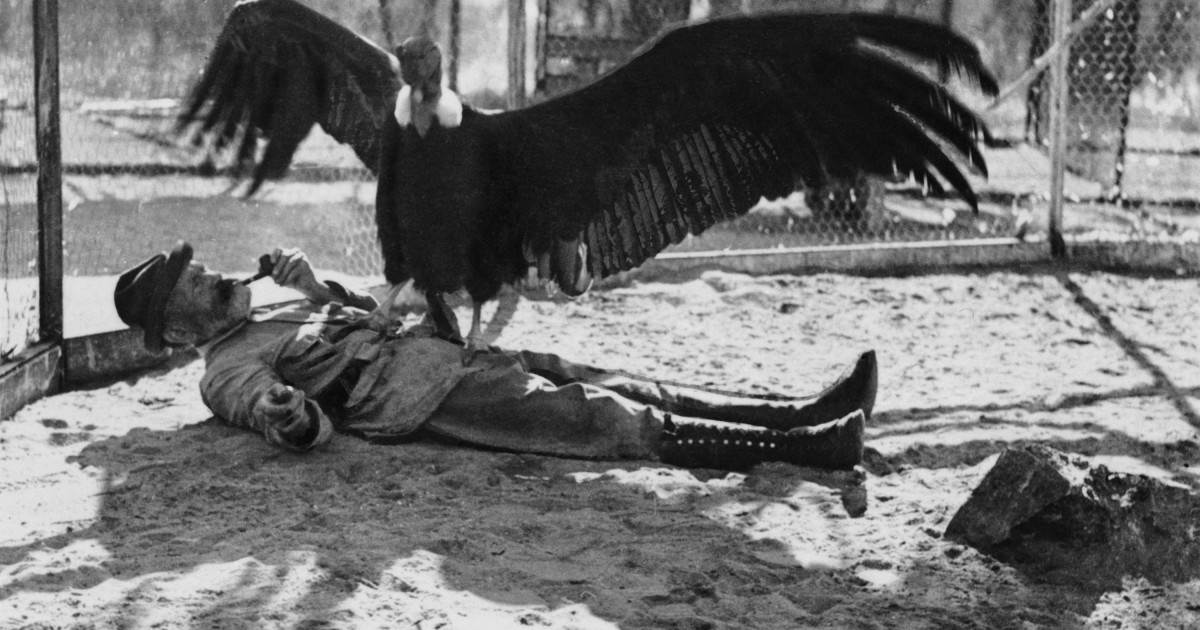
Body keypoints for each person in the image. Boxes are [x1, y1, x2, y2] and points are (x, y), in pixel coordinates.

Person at [112, 242, 877, 470]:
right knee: (602, 420)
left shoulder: (269, 302)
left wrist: (313, 284)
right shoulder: (223, 373)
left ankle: (803, 409)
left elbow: (345, 318)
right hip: (425, 399)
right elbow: (286, 421)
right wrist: (289, 416)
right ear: (178, 333)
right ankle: (805, 447)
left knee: (613, 380)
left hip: (445, 350)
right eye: (197, 286)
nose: (215, 277)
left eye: (204, 269)